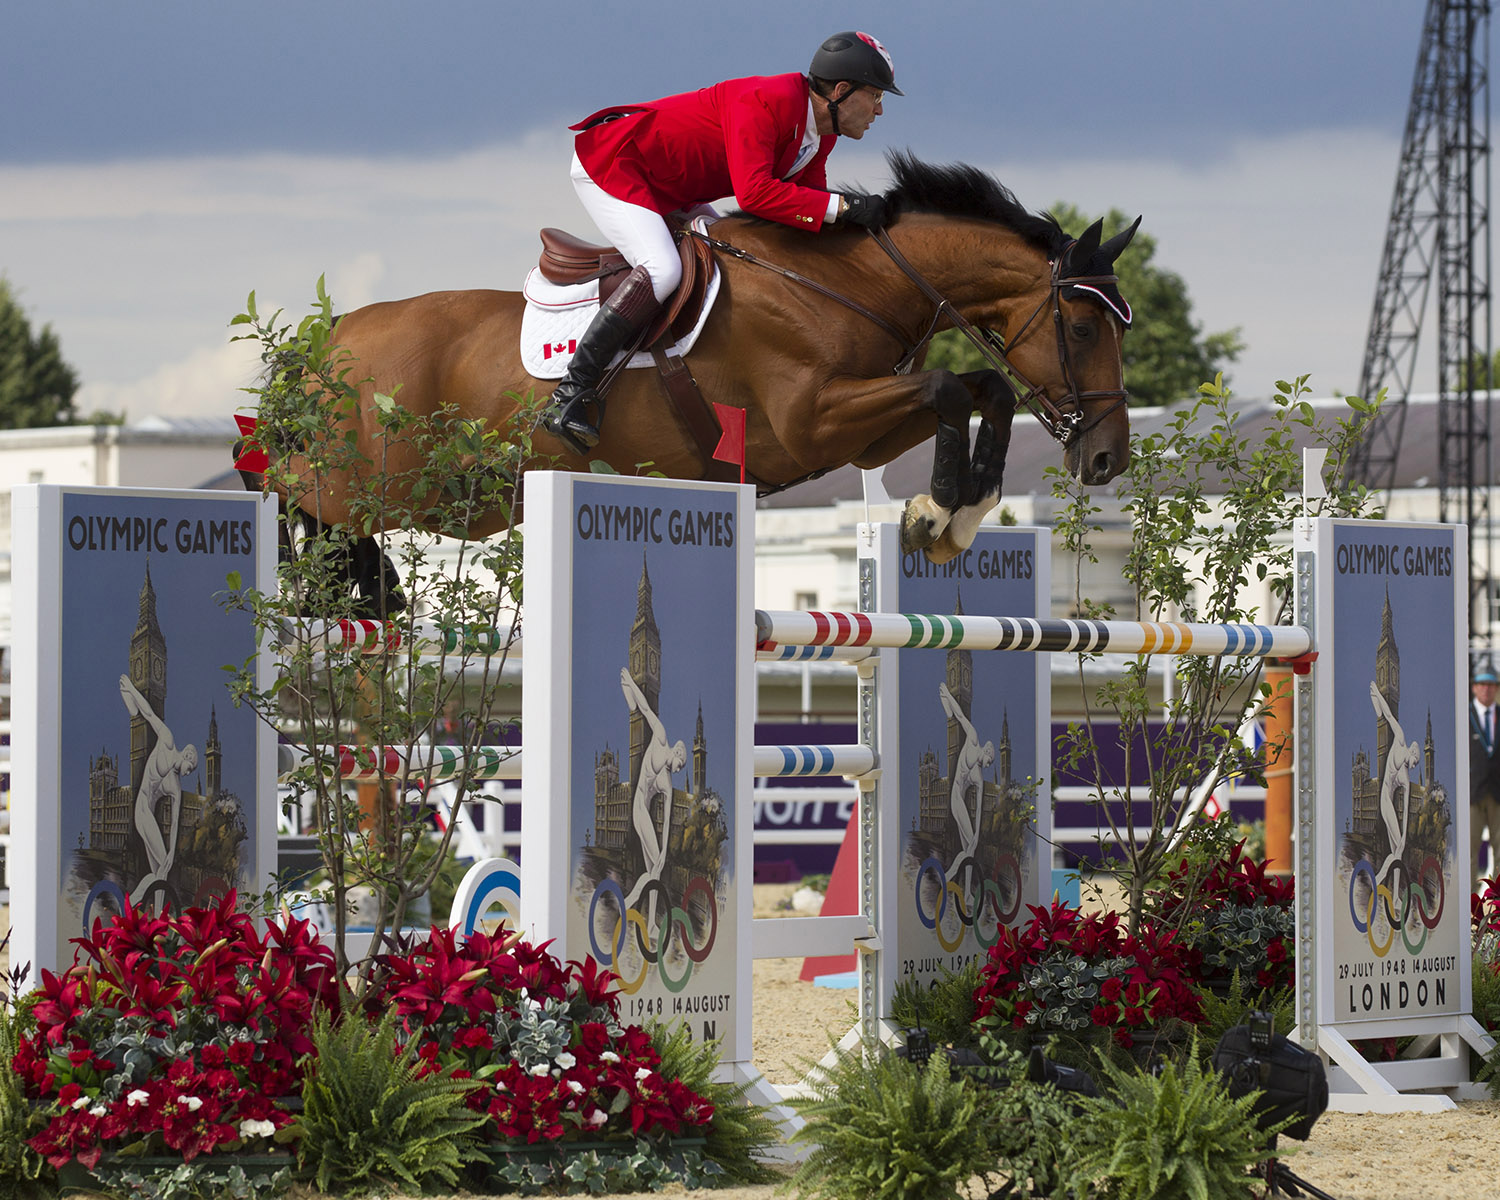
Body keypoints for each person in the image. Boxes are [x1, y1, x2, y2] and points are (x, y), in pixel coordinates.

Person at [542, 31, 903, 456]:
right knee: (663, 268)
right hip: (616, 164)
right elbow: (754, 195)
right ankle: (572, 392)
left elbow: (806, 211)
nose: (879, 110)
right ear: (841, 92)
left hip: (676, 188)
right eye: (875, 96)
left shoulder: (819, 135)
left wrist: (858, 226)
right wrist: (844, 208)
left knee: (738, 260)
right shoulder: (767, 100)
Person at [119, 674, 198, 905]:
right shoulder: (167, 741)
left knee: (161, 872)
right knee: (160, 868)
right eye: (190, 767)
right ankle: (133, 901)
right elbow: (149, 714)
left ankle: (153, 920)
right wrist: (133, 689)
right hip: (142, 810)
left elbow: (174, 824)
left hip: (148, 816)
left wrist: (173, 853)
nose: (188, 773)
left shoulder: (176, 786)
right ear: (186, 755)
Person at [619, 668, 688, 926]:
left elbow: (668, 822)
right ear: (678, 751)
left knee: (655, 872)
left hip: (643, 812)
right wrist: (630, 681)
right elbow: (646, 709)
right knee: (653, 873)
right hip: (639, 809)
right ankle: (626, 903)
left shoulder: (667, 783)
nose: (678, 770)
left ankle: (649, 926)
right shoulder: (660, 737)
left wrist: (664, 851)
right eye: (680, 764)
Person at [938, 682, 995, 884]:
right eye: (990, 761)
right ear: (987, 752)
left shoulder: (979, 777)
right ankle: (947, 877)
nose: (988, 765)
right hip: (956, 799)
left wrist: (978, 833)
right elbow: (961, 715)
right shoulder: (972, 739)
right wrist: (947, 694)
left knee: (970, 850)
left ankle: (968, 895)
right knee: (969, 846)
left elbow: (979, 810)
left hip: (960, 801)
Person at [1370, 678, 1422, 888]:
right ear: (1412, 750)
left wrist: (1404, 836)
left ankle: (1396, 897)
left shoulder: (1406, 778)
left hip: (1389, 803)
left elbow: (1407, 809)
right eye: (1415, 761)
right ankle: (1378, 879)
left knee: (1398, 852)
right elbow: (1389, 716)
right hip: (1385, 801)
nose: (1414, 765)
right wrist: (1376, 693)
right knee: (1396, 853)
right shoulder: (1399, 738)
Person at [1469, 664, 1500, 879]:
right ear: (1474, 687)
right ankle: (1470, 908)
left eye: (1490, 684)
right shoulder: (1463, 717)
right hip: (1472, 793)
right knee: (1469, 852)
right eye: (1482, 684)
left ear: (1496, 688)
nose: (1486, 689)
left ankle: (1497, 906)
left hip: (1498, 794)